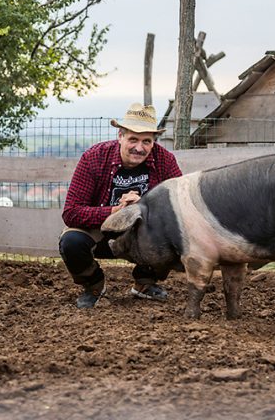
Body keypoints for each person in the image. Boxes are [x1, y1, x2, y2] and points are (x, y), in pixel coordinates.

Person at [59, 102, 183, 309]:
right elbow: (71, 212)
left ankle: (144, 283)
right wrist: (115, 211)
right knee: (71, 241)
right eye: (133, 139)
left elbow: (180, 204)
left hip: (144, 233)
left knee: (176, 232)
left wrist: (143, 208)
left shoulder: (165, 161)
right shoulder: (94, 158)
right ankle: (94, 285)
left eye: (146, 141)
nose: (139, 147)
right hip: (100, 232)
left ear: (154, 141)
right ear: (120, 136)